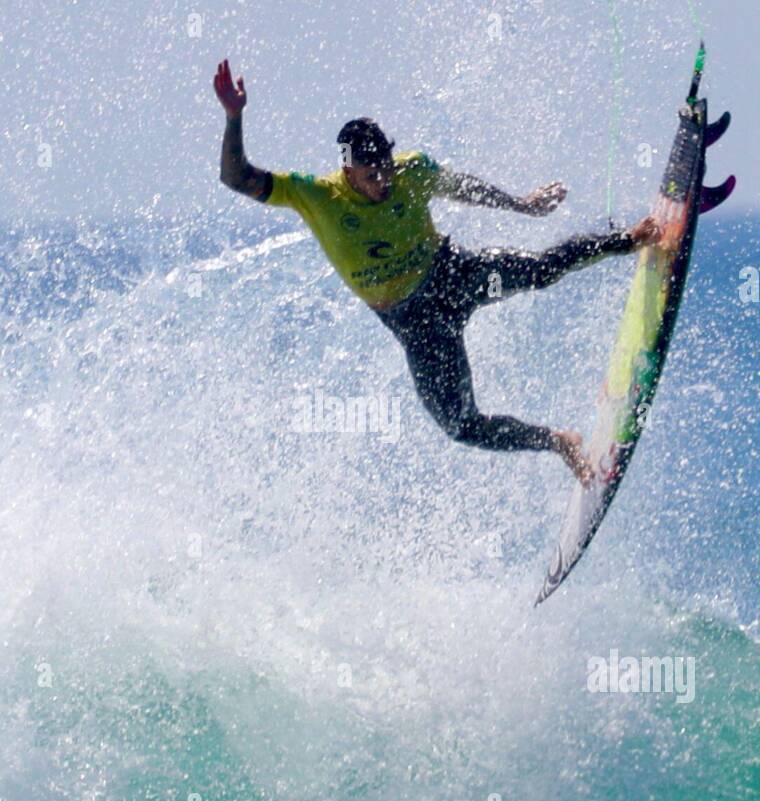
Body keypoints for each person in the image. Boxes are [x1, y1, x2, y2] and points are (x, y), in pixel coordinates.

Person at [212, 59, 662, 485]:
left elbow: (462, 187)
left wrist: (520, 203)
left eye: (387, 167)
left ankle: (629, 238)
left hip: (453, 274)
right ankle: (557, 441)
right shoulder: (314, 195)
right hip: (417, 325)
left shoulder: (411, 169)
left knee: (539, 270)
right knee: (461, 426)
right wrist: (234, 117)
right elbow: (237, 179)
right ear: (347, 168)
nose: (384, 181)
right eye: (372, 175)